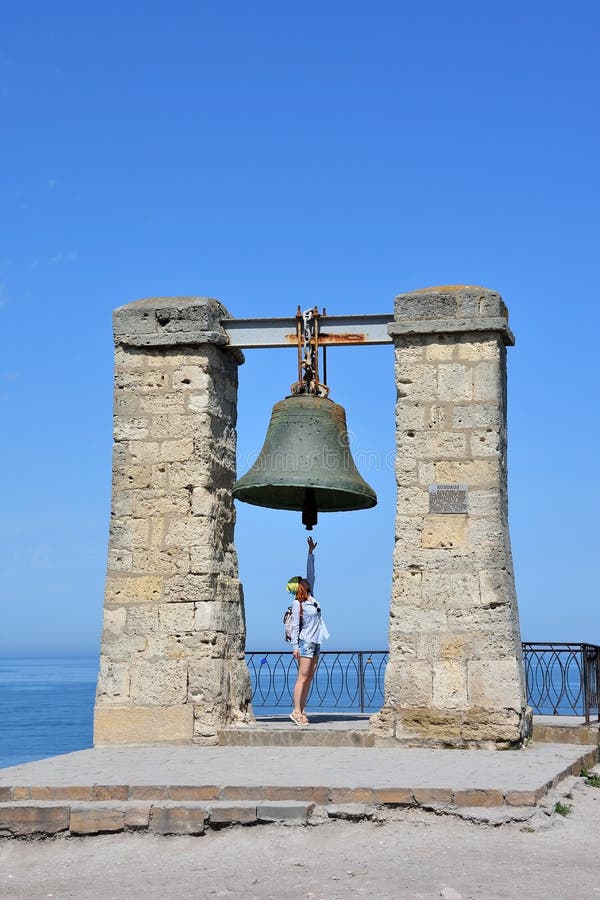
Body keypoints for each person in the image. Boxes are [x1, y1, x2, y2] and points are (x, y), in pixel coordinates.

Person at [287, 536, 330, 726]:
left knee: (309, 676)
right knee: (302, 677)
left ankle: (302, 709)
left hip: (315, 642)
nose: (305, 579)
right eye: (302, 580)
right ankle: (296, 711)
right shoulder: (297, 604)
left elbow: (311, 574)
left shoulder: (311, 598)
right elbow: (295, 627)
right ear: (299, 587)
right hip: (305, 643)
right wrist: (295, 647)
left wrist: (310, 553)